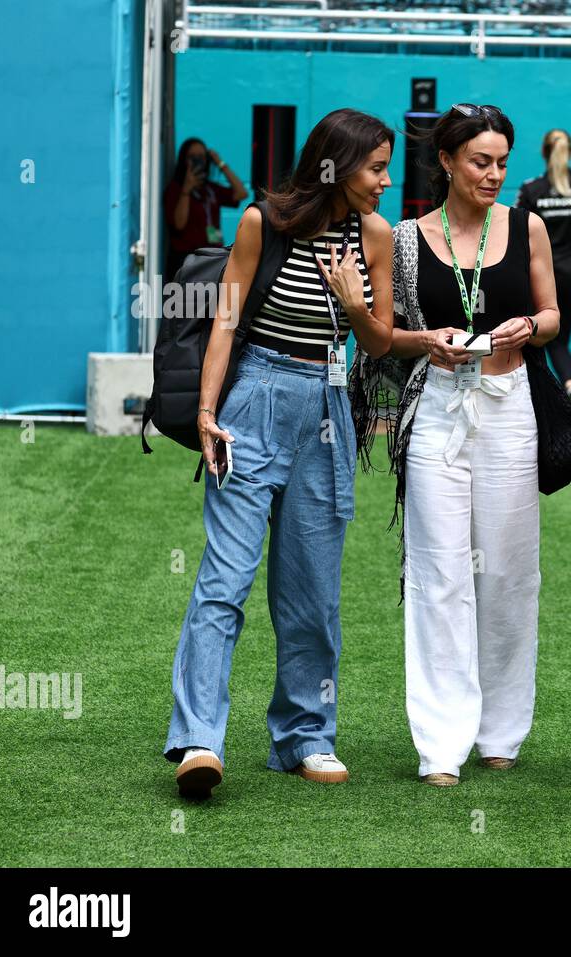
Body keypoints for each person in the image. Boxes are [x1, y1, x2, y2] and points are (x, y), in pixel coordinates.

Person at [163, 109, 394, 799]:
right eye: (376, 168)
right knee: (224, 582)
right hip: (254, 401)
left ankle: (305, 736)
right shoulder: (263, 223)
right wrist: (207, 413)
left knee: (314, 592)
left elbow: (379, 343)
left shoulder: (374, 236)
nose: (385, 181)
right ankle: (199, 738)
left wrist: (355, 308)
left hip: (326, 406)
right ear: (337, 163)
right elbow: (227, 321)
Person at [351, 104, 560, 787]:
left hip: (510, 408)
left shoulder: (526, 225)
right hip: (437, 408)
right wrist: (425, 342)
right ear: (446, 161)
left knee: (506, 571)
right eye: (480, 162)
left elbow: (555, 315)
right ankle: (442, 743)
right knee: (438, 572)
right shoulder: (406, 236)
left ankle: (501, 731)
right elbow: (381, 337)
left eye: (503, 161)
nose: (495, 175)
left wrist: (529, 326)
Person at [515, 129, 571, 409]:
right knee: (559, 336)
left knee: (540, 334)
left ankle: (553, 390)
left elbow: (517, 235)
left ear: (544, 153)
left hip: (540, 273)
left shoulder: (531, 190)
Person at [163, 138, 249, 285]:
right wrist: (186, 190)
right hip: (187, 261)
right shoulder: (175, 189)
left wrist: (220, 163)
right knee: (186, 306)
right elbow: (179, 224)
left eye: (202, 157)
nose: (197, 161)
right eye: (192, 157)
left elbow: (241, 193)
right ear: (184, 159)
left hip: (211, 259)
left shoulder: (209, 188)